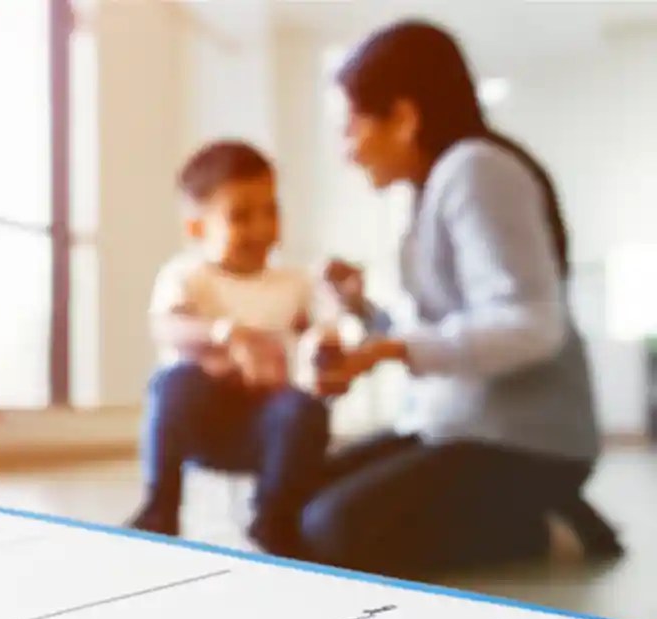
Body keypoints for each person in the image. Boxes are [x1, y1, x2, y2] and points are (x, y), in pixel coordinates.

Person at [288, 20, 622, 576]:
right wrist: (363, 312)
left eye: (351, 128)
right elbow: (441, 332)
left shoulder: (476, 170)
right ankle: (523, 515)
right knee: (291, 502)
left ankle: (551, 528)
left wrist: (392, 349)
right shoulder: (430, 188)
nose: (348, 152)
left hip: (527, 443)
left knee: (335, 529)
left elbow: (532, 325)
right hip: (458, 426)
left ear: (403, 117)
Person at [126, 140, 332, 554]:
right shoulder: (188, 275)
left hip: (268, 424)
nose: (261, 228)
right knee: (173, 382)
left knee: (304, 409)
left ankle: (274, 518)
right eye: (241, 216)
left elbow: (320, 335)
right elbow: (167, 325)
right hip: (204, 422)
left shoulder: (295, 283)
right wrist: (227, 334)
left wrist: (324, 347)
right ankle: (160, 508)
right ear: (197, 228)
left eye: (271, 211)